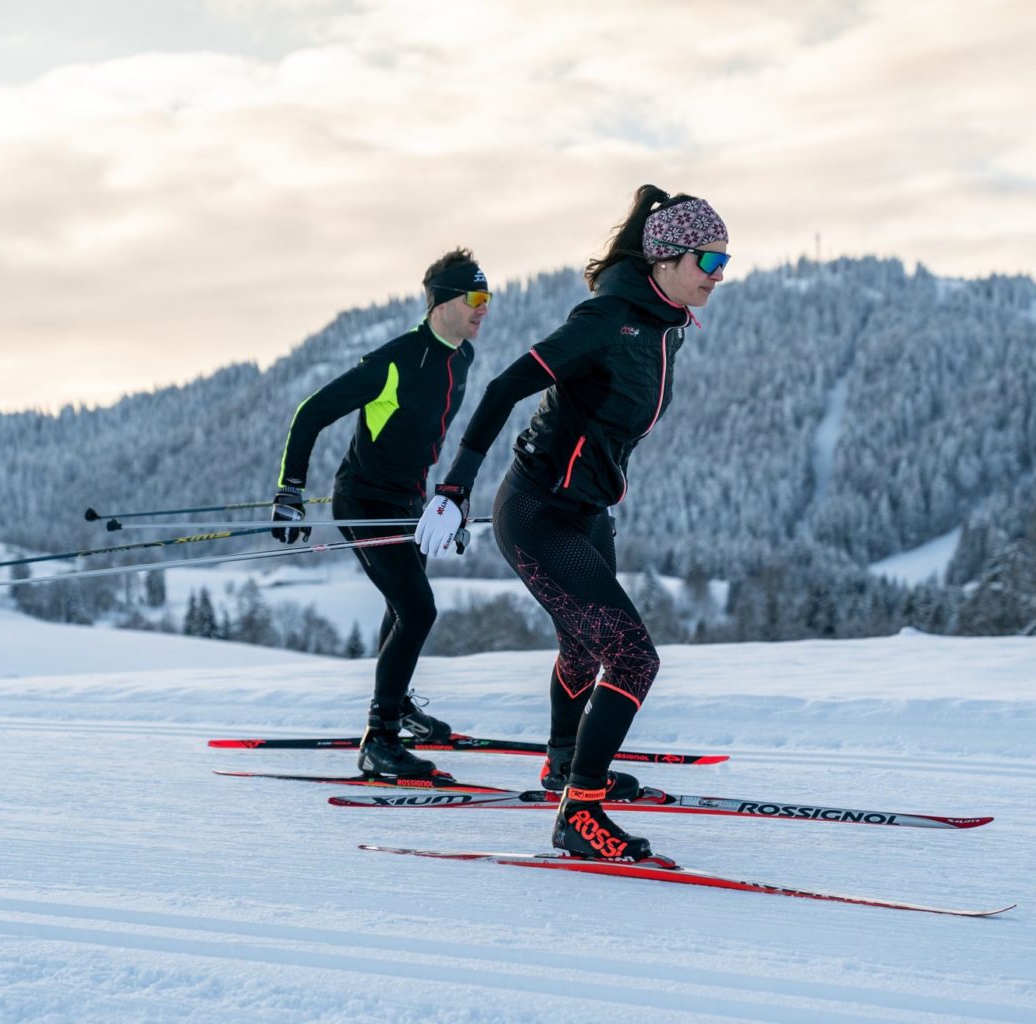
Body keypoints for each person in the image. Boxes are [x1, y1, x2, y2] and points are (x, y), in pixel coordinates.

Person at [414, 186, 728, 859]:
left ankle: (563, 764)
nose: (719, 272)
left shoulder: (659, 322)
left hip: (586, 513)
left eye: (725, 258)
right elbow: (503, 389)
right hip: (536, 513)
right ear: (666, 259)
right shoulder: (607, 320)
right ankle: (578, 812)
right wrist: (452, 489)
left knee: (585, 648)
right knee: (634, 656)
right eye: (709, 257)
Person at [272, 248, 490, 779]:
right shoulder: (395, 360)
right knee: (418, 609)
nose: (485, 309)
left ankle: (398, 707)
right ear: (442, 303)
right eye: (476, 298)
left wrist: (448, 500)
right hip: (366, 504)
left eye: (488, 299)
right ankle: (381, 738)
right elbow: (311, 412)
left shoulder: (462, 356)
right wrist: (290, 491)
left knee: (402, 608)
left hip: (414, 506)